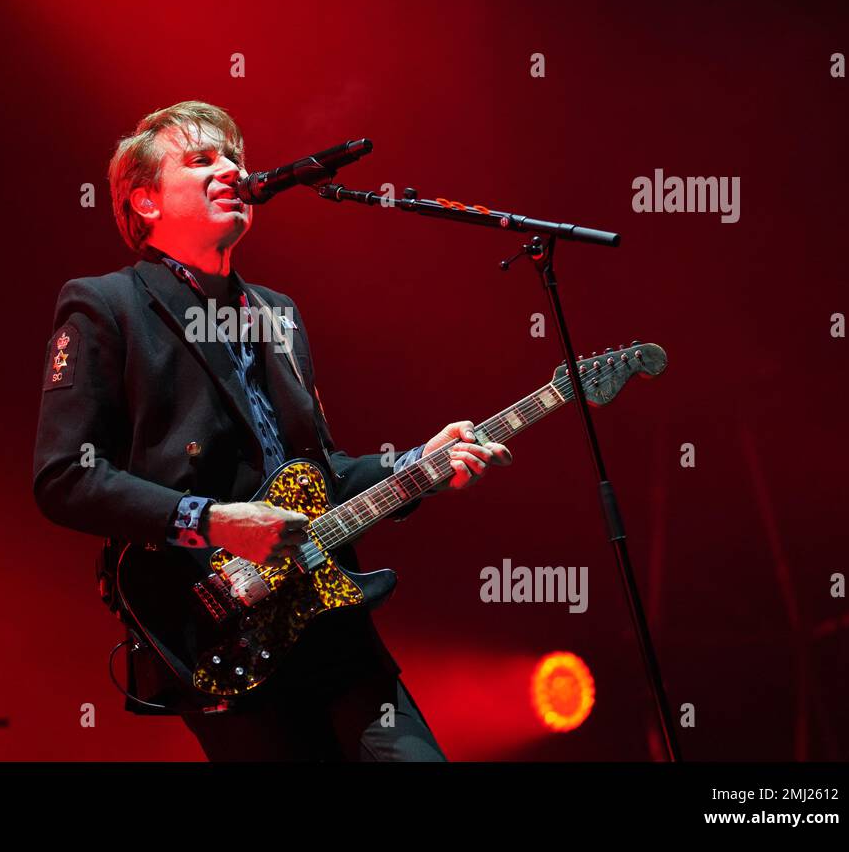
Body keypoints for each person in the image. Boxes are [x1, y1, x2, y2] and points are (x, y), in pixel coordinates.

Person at [32, 101, 512, 760]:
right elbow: (65, 476)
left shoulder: (276, 314)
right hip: (216, 628)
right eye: (201, 160)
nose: (230, 169)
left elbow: (321, 475)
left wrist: (415, 461)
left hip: (328, 616)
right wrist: (215, 521)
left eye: (234, 157)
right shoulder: (105, 305)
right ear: (145, 202)